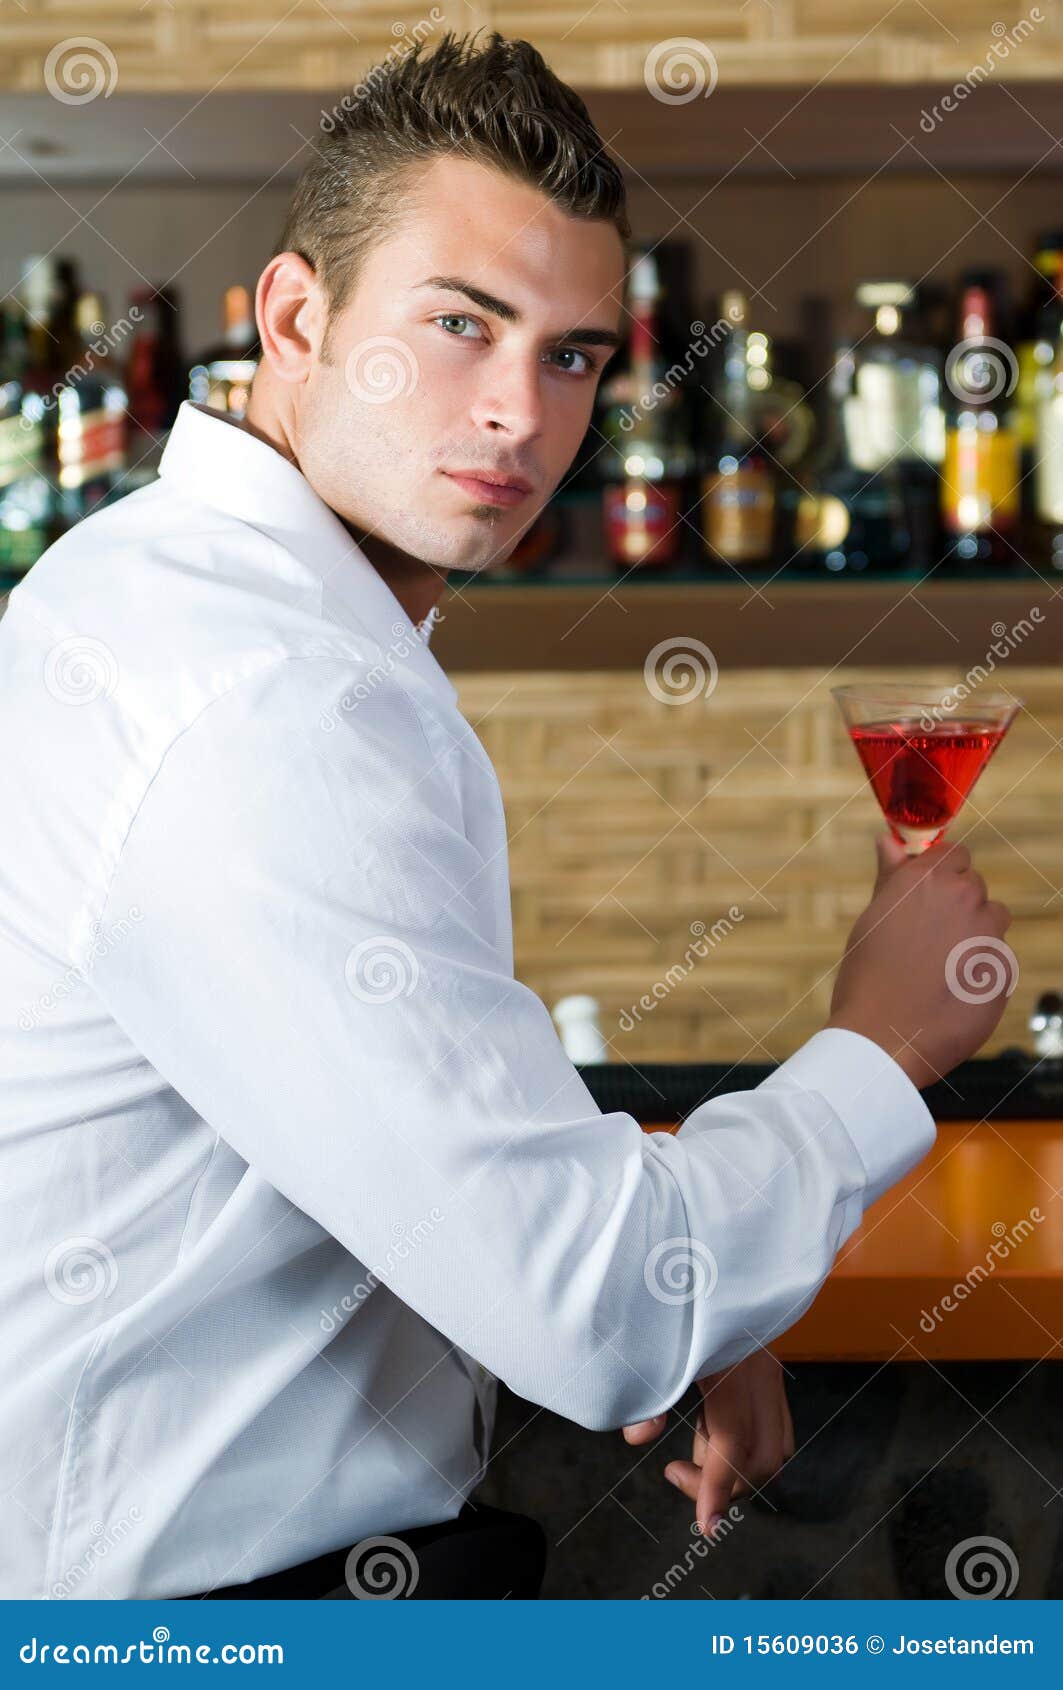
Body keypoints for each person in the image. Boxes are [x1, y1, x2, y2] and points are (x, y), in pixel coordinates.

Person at [0, 32, 1011, 1601]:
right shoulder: (263, 693)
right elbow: (590, 1306)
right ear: (296, 316)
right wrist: (880, 1050)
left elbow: (431, 1123)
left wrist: (707, 1285)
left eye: (572, 354)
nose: (517, 416)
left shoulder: (193, 595)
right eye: (459, 327)